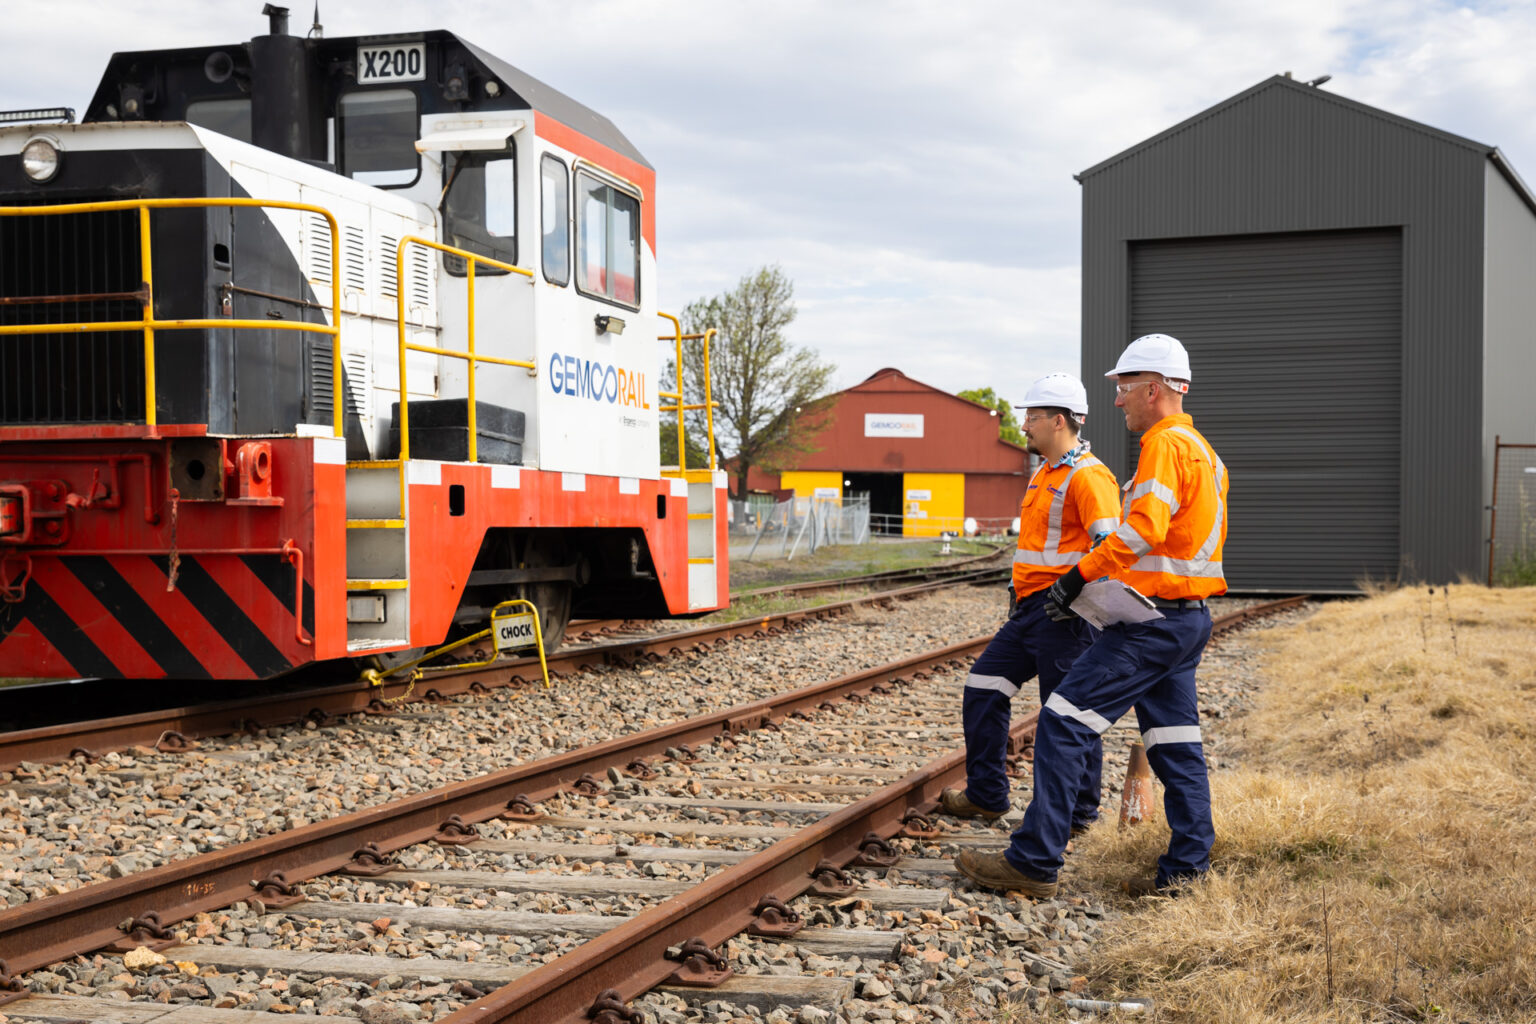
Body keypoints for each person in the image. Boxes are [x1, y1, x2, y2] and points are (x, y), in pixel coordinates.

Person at [954, 333, 1229, 899]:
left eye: (1124, 388)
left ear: (1154, 389)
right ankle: (1187, 870)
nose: (1117, 399)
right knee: (1175, 743)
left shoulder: (1164, 445)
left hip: (1150, 624)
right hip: (1186, 620)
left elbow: (1142, 530)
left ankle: (1033, 861)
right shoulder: (1205, 451)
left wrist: (1079, 577)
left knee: (1061, 722)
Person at [938, 373, 1120, 828]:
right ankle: (987, 795)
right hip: (1028, 611)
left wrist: (1076, 593)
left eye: (1032, 417)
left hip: (1066, 616)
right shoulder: (1045, 472)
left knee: (1066, 714)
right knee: (983, 688)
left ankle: (1078, 816)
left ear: (1059, 421)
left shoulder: (1090, 476)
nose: (1024, 426)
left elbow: (1110, 547)